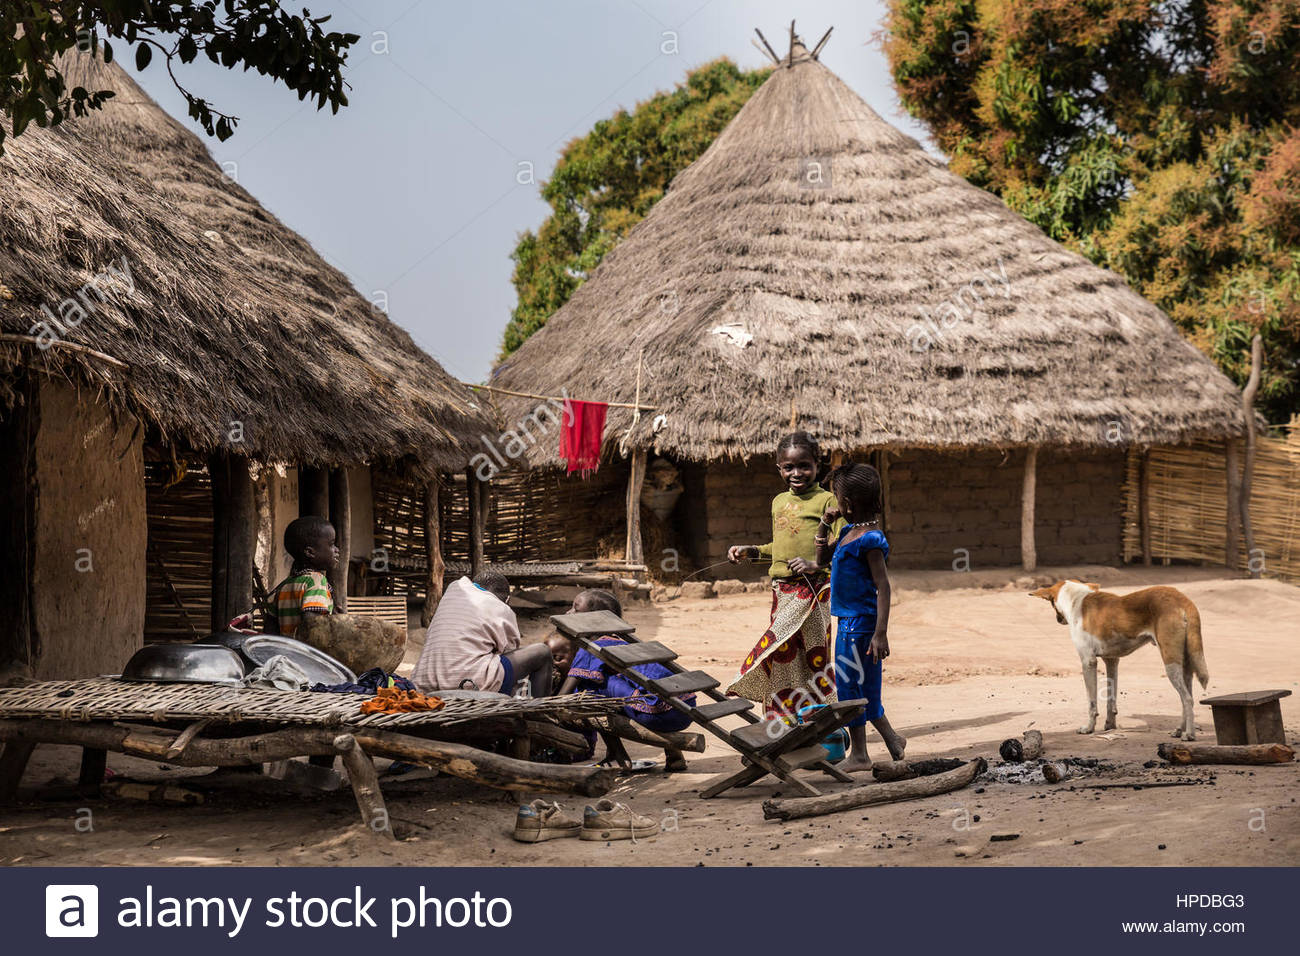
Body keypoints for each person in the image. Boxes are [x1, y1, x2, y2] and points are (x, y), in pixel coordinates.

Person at [723, 432, 843, 721]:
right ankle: (786, 716)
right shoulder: (778, 502)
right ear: (779, 468)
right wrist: (751, 550)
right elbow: (780, 547)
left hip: (815, 591)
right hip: (783, 592)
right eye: (788, 467)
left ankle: (825, 716)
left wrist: (815, 565)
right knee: (785, 656)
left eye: (804, 466)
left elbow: (841, 542)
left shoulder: (827, 500)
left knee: (814, 656)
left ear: (818, 464)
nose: (796, 473)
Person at [814, 461, 907, 772]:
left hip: (860, 626)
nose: (835, 505)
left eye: (837, 500)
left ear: (848, 504)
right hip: (849, 624)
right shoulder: (849, 532)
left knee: (850, 690)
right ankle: (893, 739)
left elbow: (884, 586)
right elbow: (821, 559)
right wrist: (824, 524)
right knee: (864, 688)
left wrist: (881, 633)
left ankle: (860, 755)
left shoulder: (870, 540)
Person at [557, 589, 691, 772]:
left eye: (575, 608)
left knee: (586, 693)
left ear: (594, 619)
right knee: (621, 687)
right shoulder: (625, 644)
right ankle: (673, 754)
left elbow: (563, 697)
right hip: (685, 709)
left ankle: (618, 755)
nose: (568, 613)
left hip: (658, 715)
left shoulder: (593, 648)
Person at [410, 569, 552, 697]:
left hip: (422, 684)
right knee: (542, 652)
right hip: (469, 684)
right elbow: (510, 652)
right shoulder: (502, 609)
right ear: (507, 600)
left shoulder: (453, 590)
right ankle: (540, 713)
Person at [270, 516, 338, 638]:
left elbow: (270, 628)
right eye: (332, 544)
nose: (336, 550)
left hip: (286, 651)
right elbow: (314, 627)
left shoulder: (284, 585)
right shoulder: (316, 581)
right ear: (310, 552)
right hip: (306, 654)